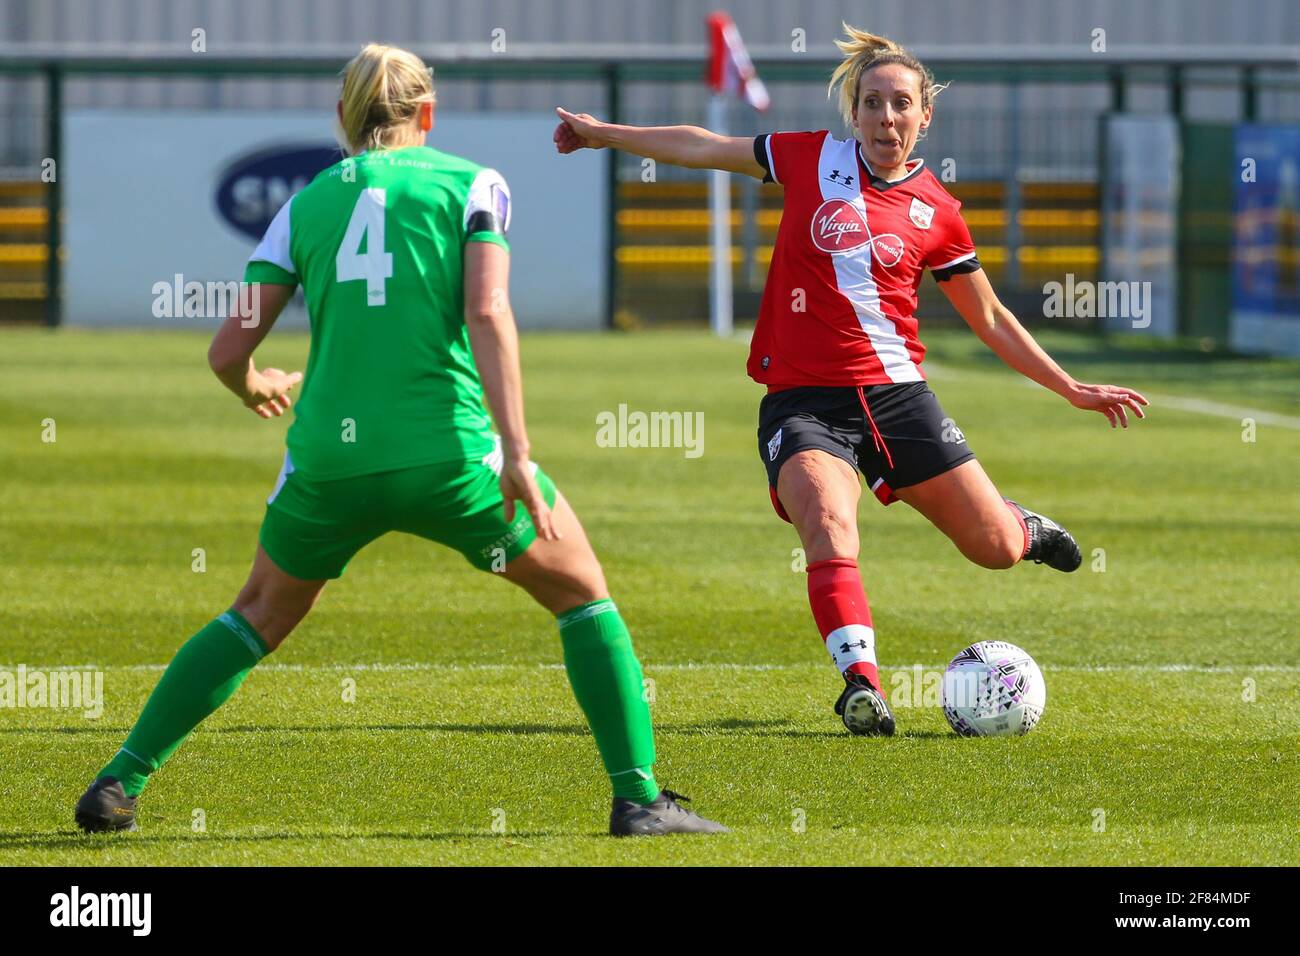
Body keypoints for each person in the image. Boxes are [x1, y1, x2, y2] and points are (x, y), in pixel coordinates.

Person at [76, 43, 726, 837]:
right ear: (428, 113)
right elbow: (488, 313)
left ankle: (119, 781)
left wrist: (258, 387)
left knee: (254, 616)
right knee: (581, 593)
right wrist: (517, 452)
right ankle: (637, 798)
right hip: (450, 458)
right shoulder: (471, 183)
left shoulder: (307, 202)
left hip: (329, 465)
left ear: (343, 119)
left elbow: (226, 353)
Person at [553, 24, 1147, 736]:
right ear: (854, 112)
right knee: (828, 524)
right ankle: (861, 685)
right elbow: (702, 145)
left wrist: (1073, 388)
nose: (885, 118)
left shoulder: (940, 212)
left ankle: (1023, 526)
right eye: (872, 103)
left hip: (899, 399)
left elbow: (989, 317)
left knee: (992, 548)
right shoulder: (810, 158)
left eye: (900, 104)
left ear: (925, 115)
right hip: (803, 404)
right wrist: (602, 134)